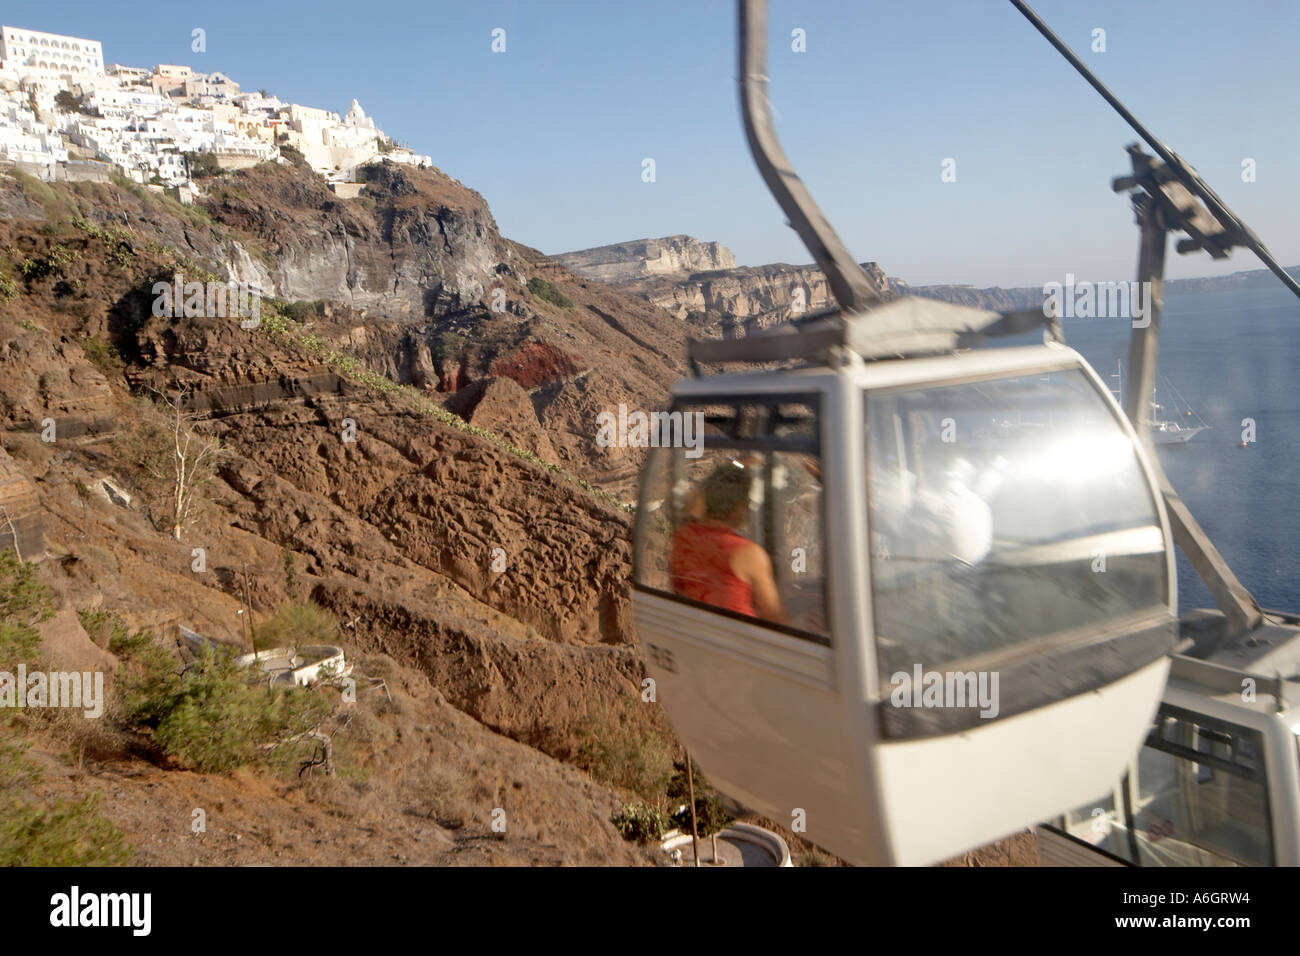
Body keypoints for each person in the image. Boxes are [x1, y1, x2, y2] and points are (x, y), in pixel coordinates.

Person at [670, 463, 788, 625]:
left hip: (696, 628)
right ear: (739, 507)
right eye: (746, 502)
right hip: (742, 641)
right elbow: (776, 618)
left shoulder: (682, 536)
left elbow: (690, 507)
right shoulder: (748, 553)